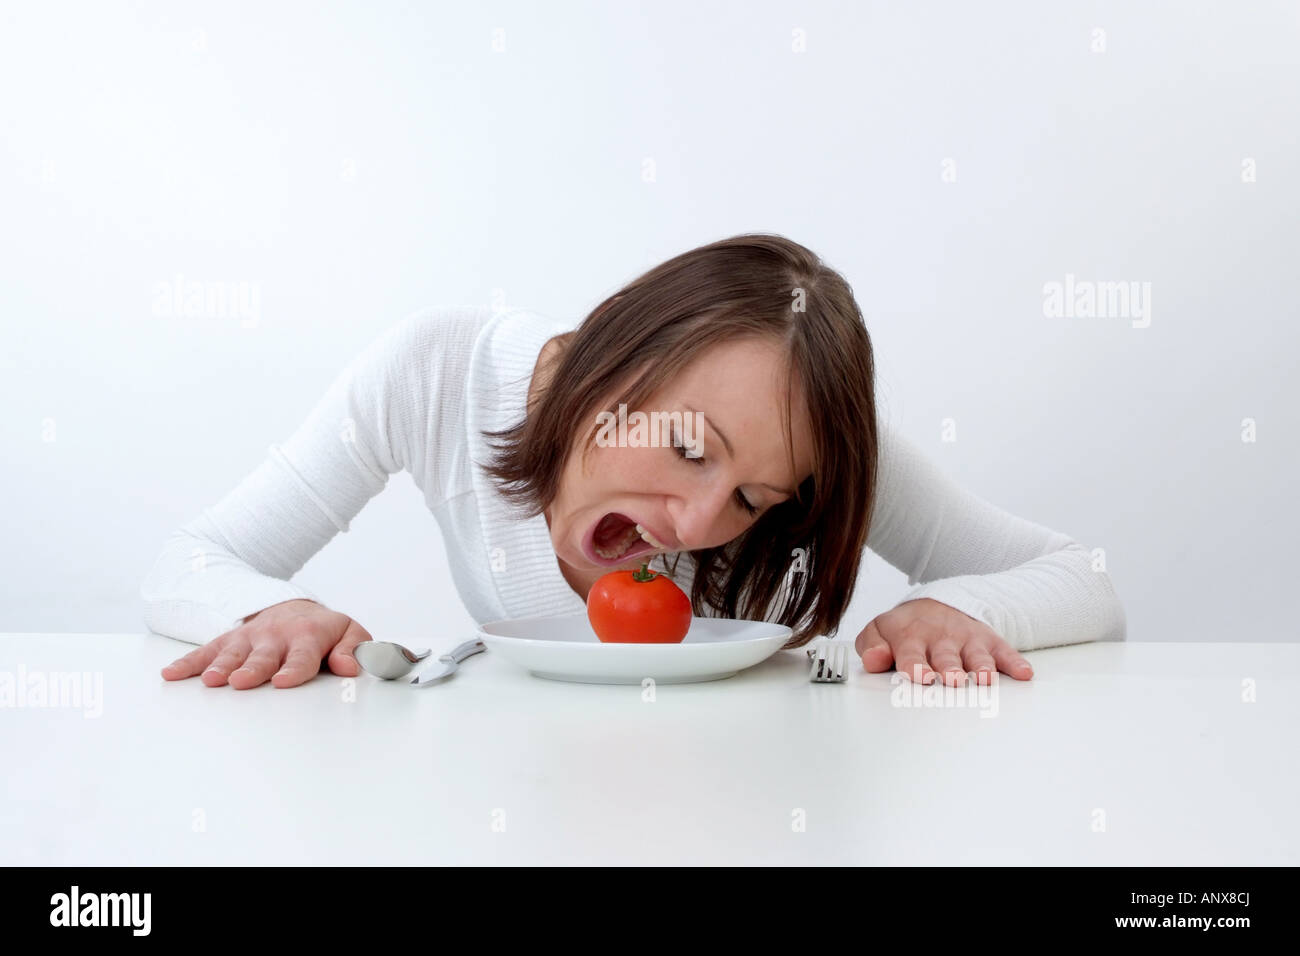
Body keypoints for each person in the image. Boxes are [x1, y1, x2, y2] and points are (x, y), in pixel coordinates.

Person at [142, 233, 1125, 690]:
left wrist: (960, 608)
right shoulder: (437, 370)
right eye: (688, 445)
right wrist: (266, 610)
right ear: (611, 344)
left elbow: (1087, 580)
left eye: (749, 496)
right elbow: (186, 559)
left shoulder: (812, 441)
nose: (699, 525)